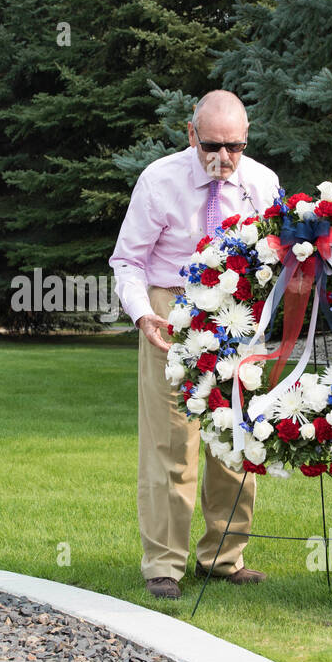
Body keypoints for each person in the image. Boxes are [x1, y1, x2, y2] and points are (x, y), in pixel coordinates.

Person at [110, 90, 281, 599]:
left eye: (236, 146)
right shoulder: (159, 181)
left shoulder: (263, 183)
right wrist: (144, 315)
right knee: (172, 444)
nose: (225, 159)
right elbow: (128, 261)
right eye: (213, 145)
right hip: (172, 308)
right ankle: (164, 563)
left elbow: (276, 255)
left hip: (237, 312)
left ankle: (224, 556)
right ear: (191, 135)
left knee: (236, 438)